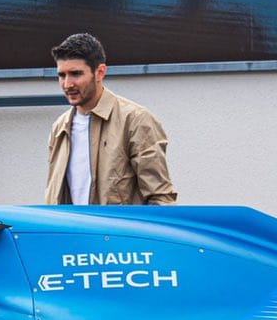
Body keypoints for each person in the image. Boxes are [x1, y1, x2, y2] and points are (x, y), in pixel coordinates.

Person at [42, 32, 177, 205]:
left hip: (118, 232)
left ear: (100, 72)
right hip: (73, 231)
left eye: (76, 74)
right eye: (62, 75)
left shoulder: (135, 121)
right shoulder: (60, 128)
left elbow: (160, 198)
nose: (67, 84)